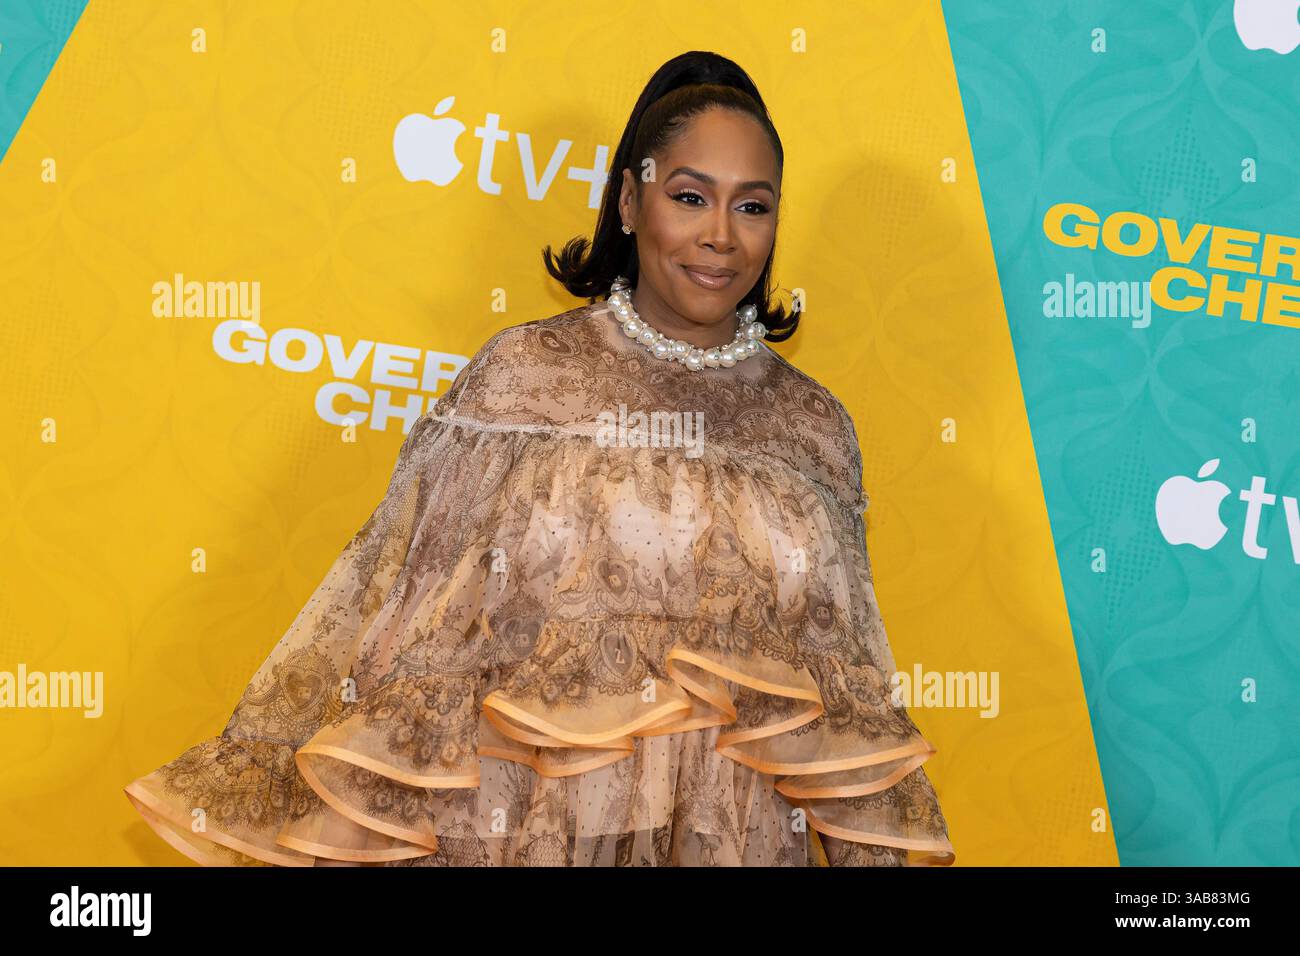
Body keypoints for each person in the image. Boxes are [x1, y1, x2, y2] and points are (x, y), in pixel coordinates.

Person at [123, 50, 956, 867]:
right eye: (690, 196)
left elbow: (845, 691)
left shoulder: (812, 426)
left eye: (753, 207)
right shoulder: (524, 378)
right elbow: (413, 619)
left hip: (734, 833)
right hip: (526, 826)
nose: (719, 237)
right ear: (631, 201)